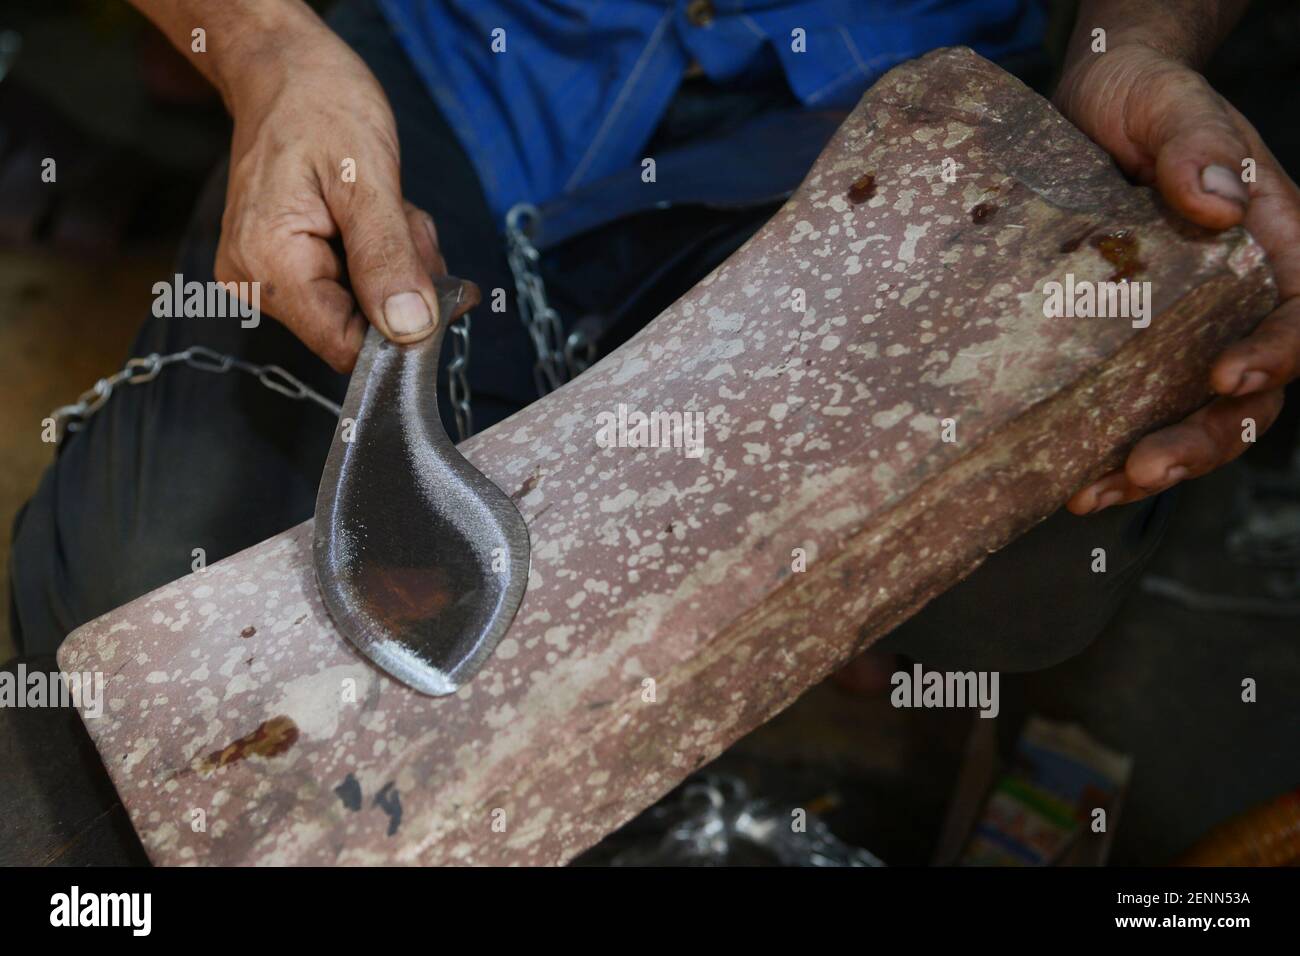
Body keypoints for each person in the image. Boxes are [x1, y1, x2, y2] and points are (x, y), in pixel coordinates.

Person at [10, 0, 1300, 676]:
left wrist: (1137, 39)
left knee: (1021, 567)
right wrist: (262, 48)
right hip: (468, 67)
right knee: (134, 602)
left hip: (892, 117)